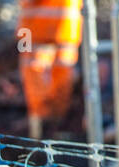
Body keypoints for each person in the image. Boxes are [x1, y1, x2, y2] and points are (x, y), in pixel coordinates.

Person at [17, 0, 83, 139]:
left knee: (56, 82)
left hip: (55, 30)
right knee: (41, 80)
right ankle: (43, 130)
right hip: (45, 31)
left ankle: (51, 129)